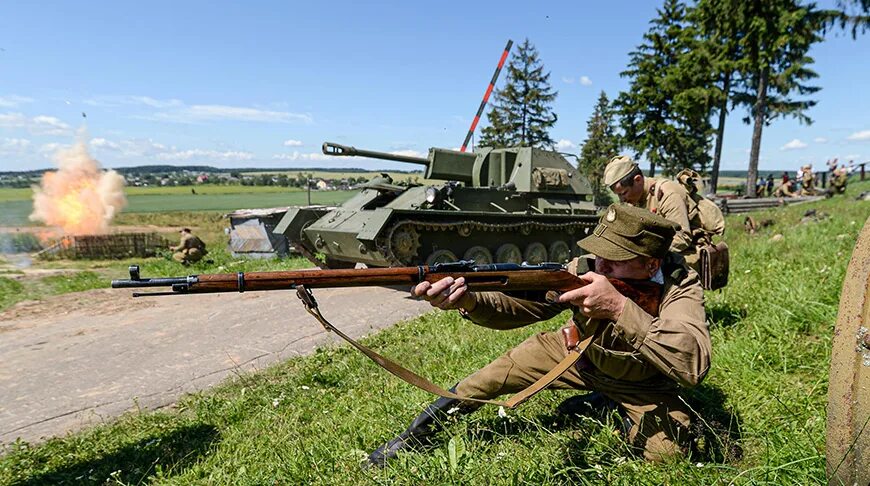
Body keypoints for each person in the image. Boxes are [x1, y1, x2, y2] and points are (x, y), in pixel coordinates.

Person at [366, 204, 710, 466]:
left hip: (641, 382)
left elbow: (693, 362)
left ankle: (609, 405)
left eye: (614, 261)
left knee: (669, 455)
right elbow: (525, 308)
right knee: (485, 381)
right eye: (599, 254)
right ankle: (414, 437)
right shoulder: (585, 267)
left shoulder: (680, 286)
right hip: (578, 355)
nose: (599, 267)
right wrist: (469, 300)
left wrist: (620, 308)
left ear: (651, 265)